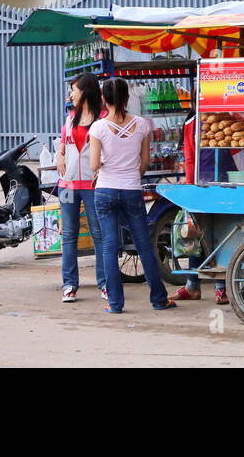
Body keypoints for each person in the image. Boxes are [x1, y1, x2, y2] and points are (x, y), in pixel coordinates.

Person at [89, 78, 176, 313]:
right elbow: (144, 163)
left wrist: (105, 168)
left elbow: (94, 163)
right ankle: (159, 299)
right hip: (132, 190)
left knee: (109, 246)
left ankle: (115, 304)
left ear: (104, 100)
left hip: (105, 191)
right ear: (128, 98)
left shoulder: (97, 128)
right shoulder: (142, 125)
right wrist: (131, 176)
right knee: (144, 245)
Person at [57, 73, 107, 303]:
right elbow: (62, 143)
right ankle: (69, 284)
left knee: (99, 234)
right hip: (67, 185)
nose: (71, 94)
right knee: (68, 235)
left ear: (85, 91)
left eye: (74, 90)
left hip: (93, 186)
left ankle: (105, 283)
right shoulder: (70, 116)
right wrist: (59, 155)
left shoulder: (104, 118)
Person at [172, 120, 230, 305]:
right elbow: (237, 153)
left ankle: (199, 286)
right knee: (212, 235)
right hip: (221, 181)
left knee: (197, 235)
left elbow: (189, 157)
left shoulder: (197, 121)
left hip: (207, 182)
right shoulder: (223, 117)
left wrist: (189, 187)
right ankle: (215, 287)